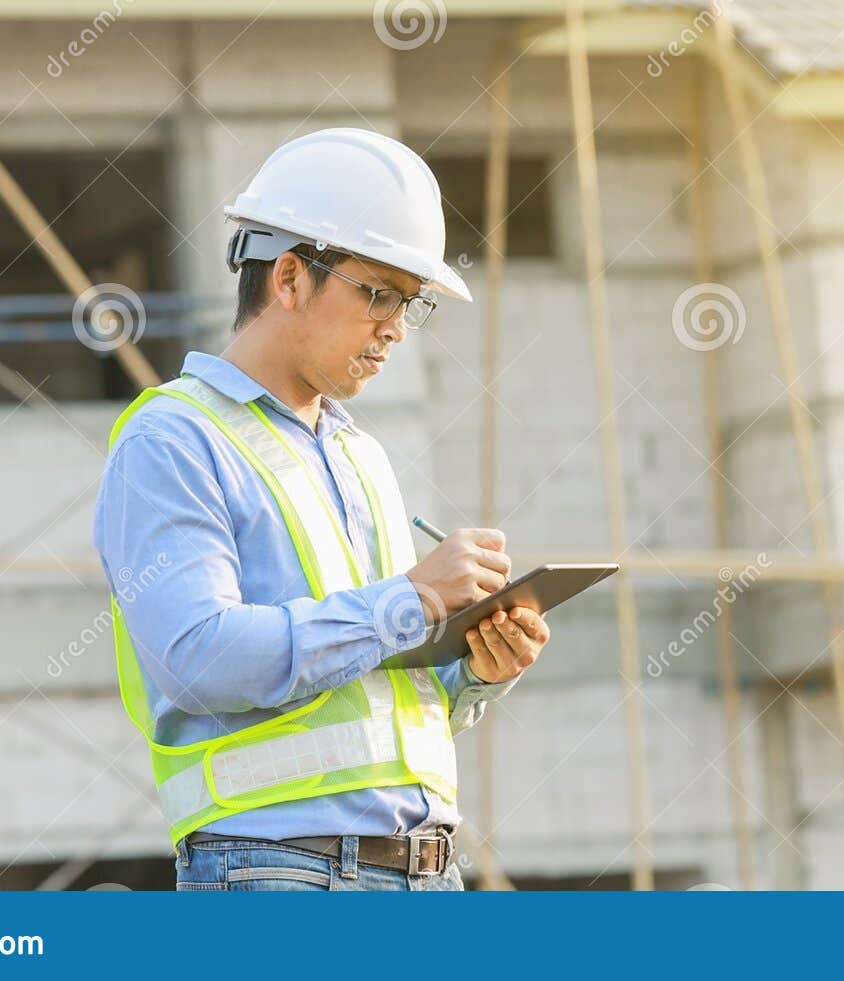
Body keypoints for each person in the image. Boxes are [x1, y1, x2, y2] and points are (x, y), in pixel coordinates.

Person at [93, 128, 549, 891]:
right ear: (290, 277)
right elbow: (199, 656)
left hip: (426, 872)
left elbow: (368, 684)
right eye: (378, 293)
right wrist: (410, 597)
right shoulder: (173, 437)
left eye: (411, 303)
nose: (396, 327)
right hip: (280, 873)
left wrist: (472, 671)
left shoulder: (358, 455)